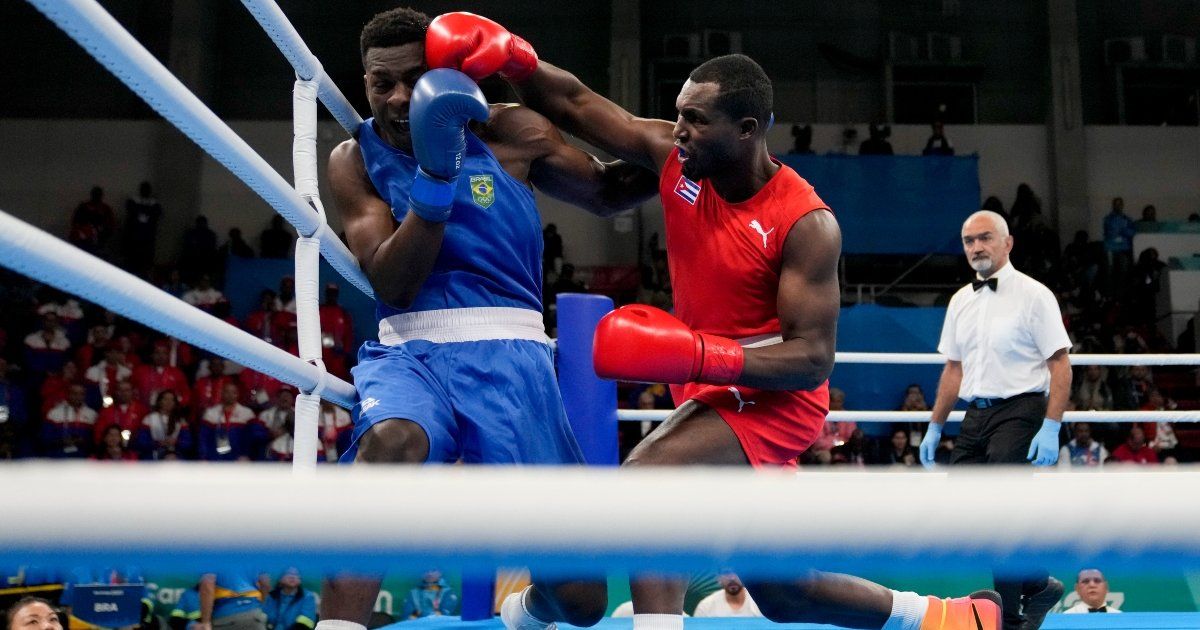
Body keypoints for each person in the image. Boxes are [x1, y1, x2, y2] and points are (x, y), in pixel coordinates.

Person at [427, 13, 1002, 630]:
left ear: (748, 130)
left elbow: (813, 358)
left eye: (696, 121)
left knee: (649, 484)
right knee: (785, 593)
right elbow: (574, 103)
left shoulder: (806, 223)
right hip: (705, 384)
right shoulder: (676, 159)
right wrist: (517, 58)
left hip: (773, 396)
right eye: (678, 115)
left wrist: (700, 354)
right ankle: (950, 618)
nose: (678, 131)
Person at [313, 8, 658, 630]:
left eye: (412, 80)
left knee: (581, 600)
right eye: (378, 83)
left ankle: (525, 612)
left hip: (515, 357)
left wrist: (685, 159)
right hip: (410, 353)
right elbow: (392, 279)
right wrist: (437, 179)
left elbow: (607, 192)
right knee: (392, 444)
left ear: (443, 72)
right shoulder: (353, 158)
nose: (394, 99)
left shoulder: (510, 132)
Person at [918, 210, 1070, 630]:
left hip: (1021, 410)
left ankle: (1008, 615)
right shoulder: (960, 300)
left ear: (1008, 243)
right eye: (969, 241)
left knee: (1004, 508)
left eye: (985, 238)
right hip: (976, 414)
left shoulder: (1035, 295)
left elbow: (1060, 364)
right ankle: (1038, 582)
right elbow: (953, 369)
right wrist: (935, 425)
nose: (976, 247)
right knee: (969, 511)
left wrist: (1052, 425)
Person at [122, 181, 163, 277]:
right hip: (133, 237)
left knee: (145, 264)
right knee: (132, 262)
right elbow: (131, 213)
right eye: (143, 189)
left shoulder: (155, 204)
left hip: (147, 239)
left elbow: (156, 215)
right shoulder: (132, 200)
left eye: (147, 190)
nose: (145, 191)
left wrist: (142, 215)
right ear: (140, 190)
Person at [692, 573, 762, 618]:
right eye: (726, 573)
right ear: (718, 578)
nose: (732, 578)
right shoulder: (705, 607)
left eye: (736, 572)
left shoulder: (761, 602)